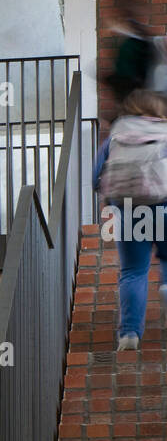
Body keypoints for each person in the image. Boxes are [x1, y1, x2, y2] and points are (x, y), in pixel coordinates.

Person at [94, 88, 167, 351]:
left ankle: (129, 333)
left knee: (134, 272)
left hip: (128, 210)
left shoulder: (116, 135)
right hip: (164, 205)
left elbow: (96, 176)